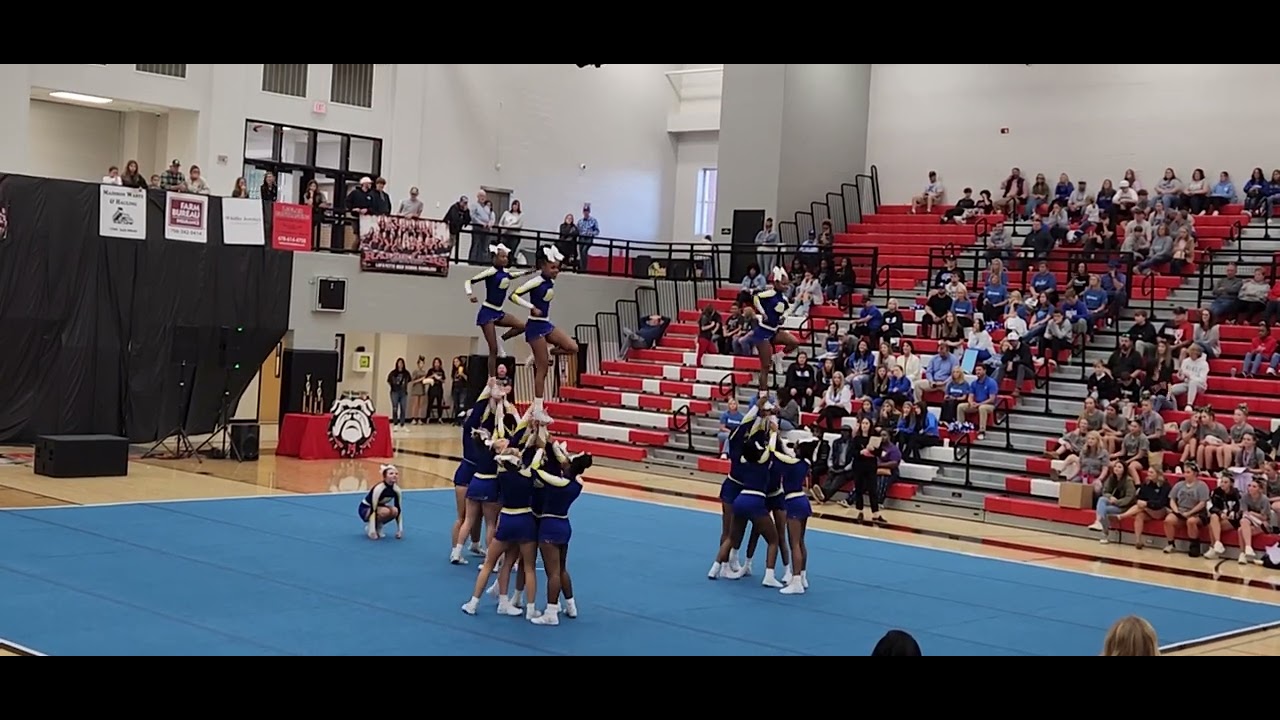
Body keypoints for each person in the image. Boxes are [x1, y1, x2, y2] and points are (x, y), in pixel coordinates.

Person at [462, 419, 544, 620]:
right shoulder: (528, 474)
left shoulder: (501, 472)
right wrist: (538, 434)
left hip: (506, 519)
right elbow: (535, 453)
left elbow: (518, 452)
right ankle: (530, 609)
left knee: (491, 563)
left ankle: (475, 602)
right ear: (517, 460)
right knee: (528, 567)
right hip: (524, 520)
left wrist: (529, 433)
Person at [510, 246, 579, 423]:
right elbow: (514, 295)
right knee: (543, 369)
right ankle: (538, 409)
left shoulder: (550, 281)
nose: (556, 271)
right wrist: (531, 307)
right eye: (553, 267)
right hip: (534, 326)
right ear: (542, 266)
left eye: (558, 268)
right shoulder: (536, 281)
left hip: (546, 324)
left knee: (572, 347)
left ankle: (544, 352)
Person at [529, 447, 590, 625]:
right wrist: (552, 444)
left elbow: (535, 469)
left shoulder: (559, 483)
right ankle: (571, 606)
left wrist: (540, 450)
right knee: (562, 568)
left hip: (550, 526)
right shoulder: (577, 482)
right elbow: (563, 460)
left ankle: (551, 612)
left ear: (569, 466)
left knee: (553, 573)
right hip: (564, 525)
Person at [710, 398, 764, 579]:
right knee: (728, 529)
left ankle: (733, 558)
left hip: (744, 491)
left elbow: (756, 430)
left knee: (739, 528)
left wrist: (762, 414)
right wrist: (756, 407)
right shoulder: (735, 444)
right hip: (732, 488)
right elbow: (744, 425)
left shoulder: (749, 446)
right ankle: (723, 564)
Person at [464, 244, 529, 378]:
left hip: (499, 312)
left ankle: (502, 339)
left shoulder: (505, 272)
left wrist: (526, 272)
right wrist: (470, 294)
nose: (505, 259)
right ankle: (492, 378)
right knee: (493, 349)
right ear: (494, 258)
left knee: (523, 326)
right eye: (502, 257)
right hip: (487, 313)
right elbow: (469, 281)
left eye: (506, 257)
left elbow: (512, 275)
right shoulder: (490, 272)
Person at [770, 434, 818, 595]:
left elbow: (774, 453)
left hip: (794, 503)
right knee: (801, 541)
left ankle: (796, 581)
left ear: (800, 449)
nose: (793, 447)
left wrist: (773, 435)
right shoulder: (805, 463)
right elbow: (786, 452)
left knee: (794, 543)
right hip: (802, 501)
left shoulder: (792, 464)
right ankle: (802, 577)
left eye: (796, 445)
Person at [748, 268, 802, 394]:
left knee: (794, 342)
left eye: (787, 284)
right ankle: (763, 393)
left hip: (774, 330)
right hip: (762, 332)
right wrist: (762, 312)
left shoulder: (783, 298)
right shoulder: (769, 294)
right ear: (776, 283)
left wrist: (784, 317)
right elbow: (755, 298)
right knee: (766, 365)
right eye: (784, 284)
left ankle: (778, 356)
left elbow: (788, 309)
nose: (786, 286)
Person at [359, 464, 404, 541]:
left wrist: (400, 530)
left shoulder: (397, 490)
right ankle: (371, 527)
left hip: (379, 508)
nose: (394, 475)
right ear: (384, 476)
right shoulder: (379, 489)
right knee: (385, 511)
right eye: (391, 473)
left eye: (396, 474)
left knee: (395, 511)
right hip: (366, 509)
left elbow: (399, 510)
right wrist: (372, 531)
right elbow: (373, 509)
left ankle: (379, 525)